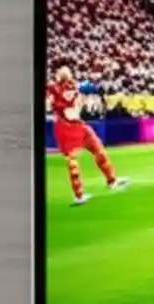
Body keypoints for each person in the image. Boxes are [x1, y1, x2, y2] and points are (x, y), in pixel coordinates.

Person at [46, 66, 128, 206]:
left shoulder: (71, 86)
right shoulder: (55, 89)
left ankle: (111, 181)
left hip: (78, 126)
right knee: (75, 162)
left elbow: (89, 87)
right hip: (66, 128)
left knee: (97, 150)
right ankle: (80, 195)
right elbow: (88, 87)